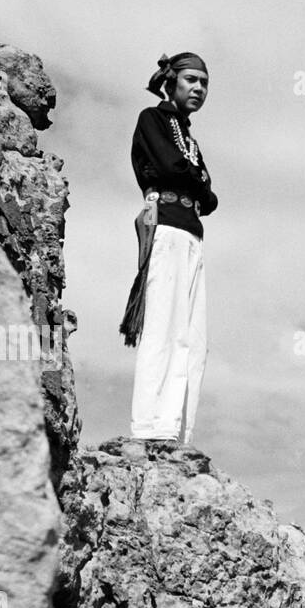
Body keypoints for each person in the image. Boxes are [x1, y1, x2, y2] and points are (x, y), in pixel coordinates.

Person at [120, 51, 218, 445]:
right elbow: (172, 169)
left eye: (204, 83)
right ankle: (149, 428)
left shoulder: (188, 136)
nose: (198, 88)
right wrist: (195, 179)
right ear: (171, 80)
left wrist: (194, 179)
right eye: (191, 80)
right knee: (162, 326)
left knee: (193, 338)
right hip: (167, 228)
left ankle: (178, 433)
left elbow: (209, 198)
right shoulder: (152, 119)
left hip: (192, 234)